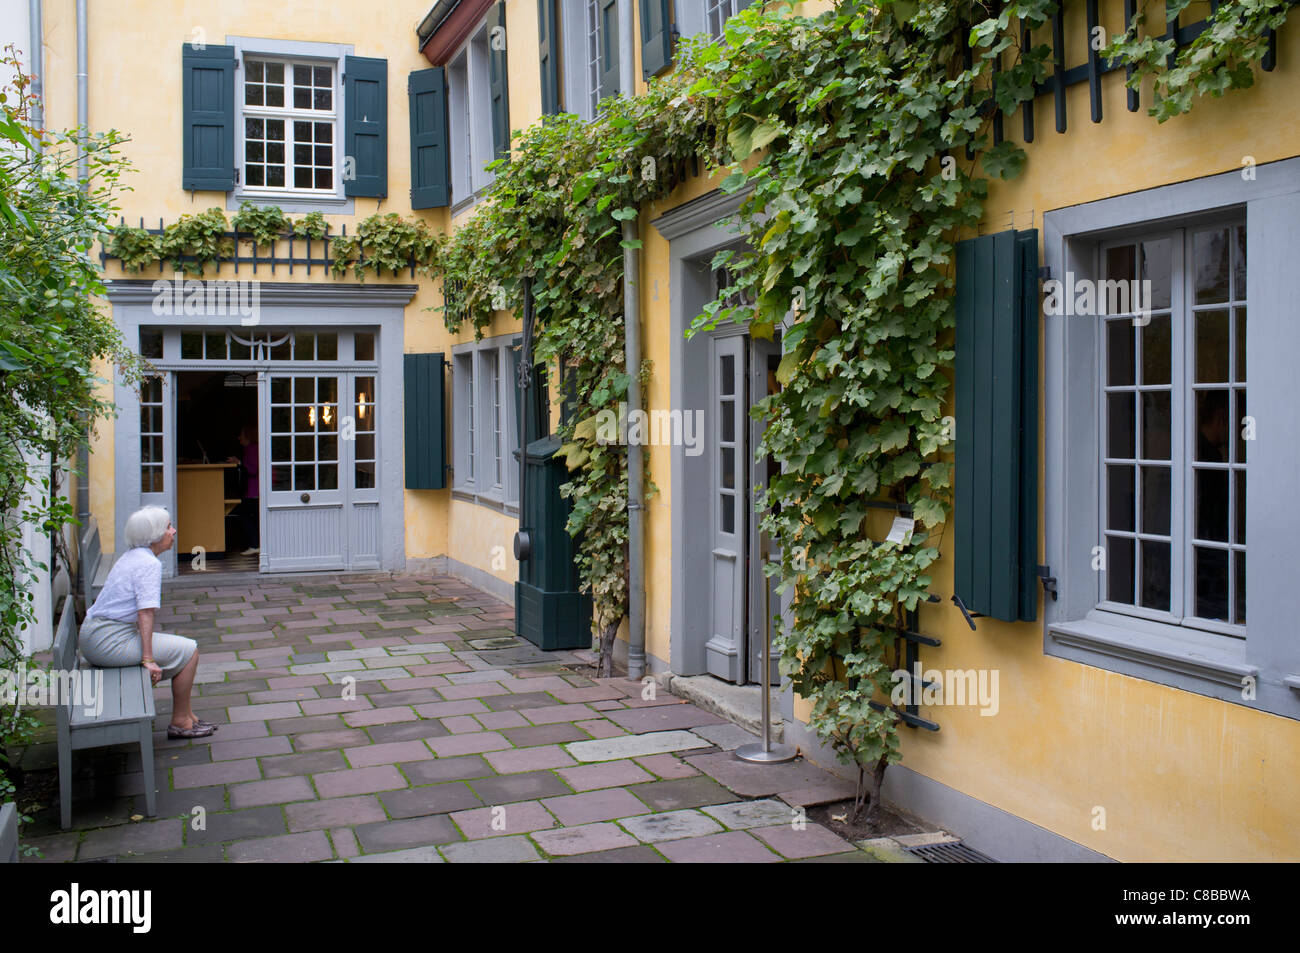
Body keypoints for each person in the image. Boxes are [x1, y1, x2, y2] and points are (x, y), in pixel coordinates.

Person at [80, 506, 217, 738]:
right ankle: (181, 721)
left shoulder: (133, 556)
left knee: (181, 651)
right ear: (154, 535)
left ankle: (189, 717)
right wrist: (148, 659)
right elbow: (145, 614)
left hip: (96, 634)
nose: (173, 531)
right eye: (168, 527)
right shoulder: (148, 564)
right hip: (107, 641)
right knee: (189, 651)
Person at [227, 424, 260, 556]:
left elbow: (252, 470)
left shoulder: (252, 449)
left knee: (244, 515)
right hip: (253, 490)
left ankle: (255, 544)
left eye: (242, 434)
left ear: (248, 436)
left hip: (253, 490)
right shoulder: (251, 449)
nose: (239, 437)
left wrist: (239, 462)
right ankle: (256, 544)